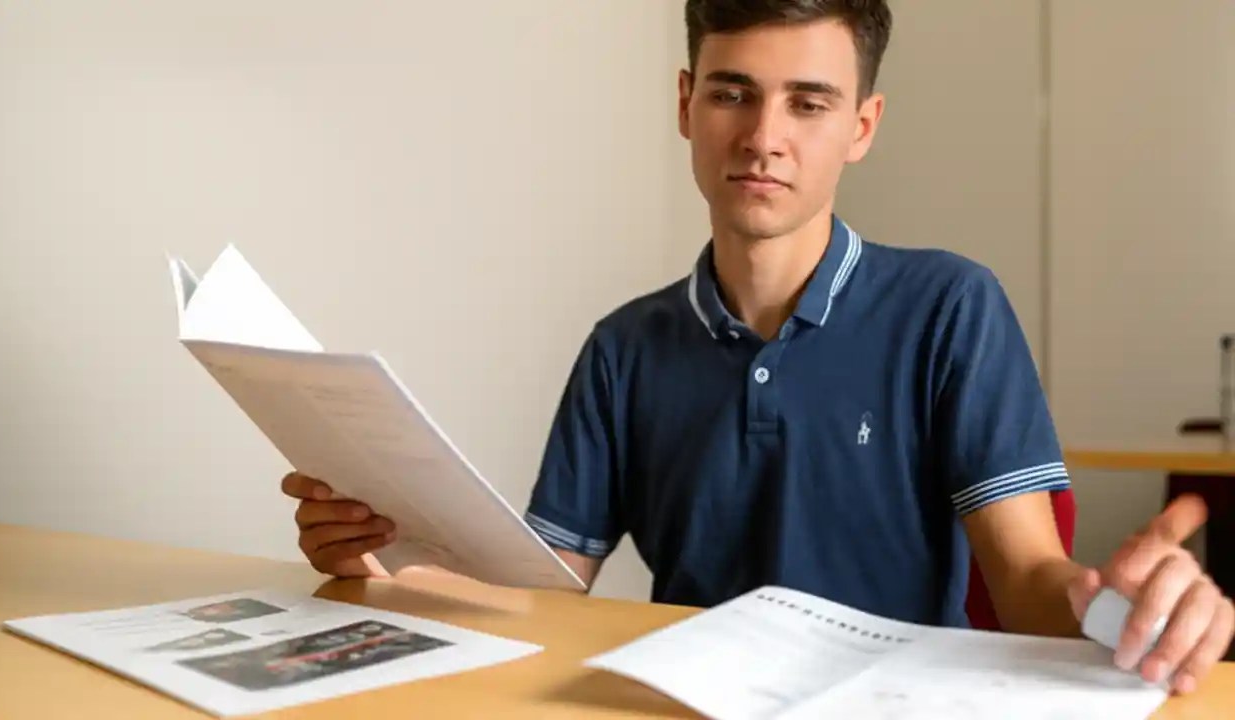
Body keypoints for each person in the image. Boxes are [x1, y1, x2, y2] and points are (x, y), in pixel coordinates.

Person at [282, 0, 1233, 694]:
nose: (764, 139)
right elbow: (545, 593)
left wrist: (1118, 602)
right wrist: (385, 559)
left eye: (808, 104)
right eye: (734, 94)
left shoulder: (951, 306)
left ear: (862, 126)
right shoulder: (623, 348)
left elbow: (1026, 580)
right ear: (688, 104)